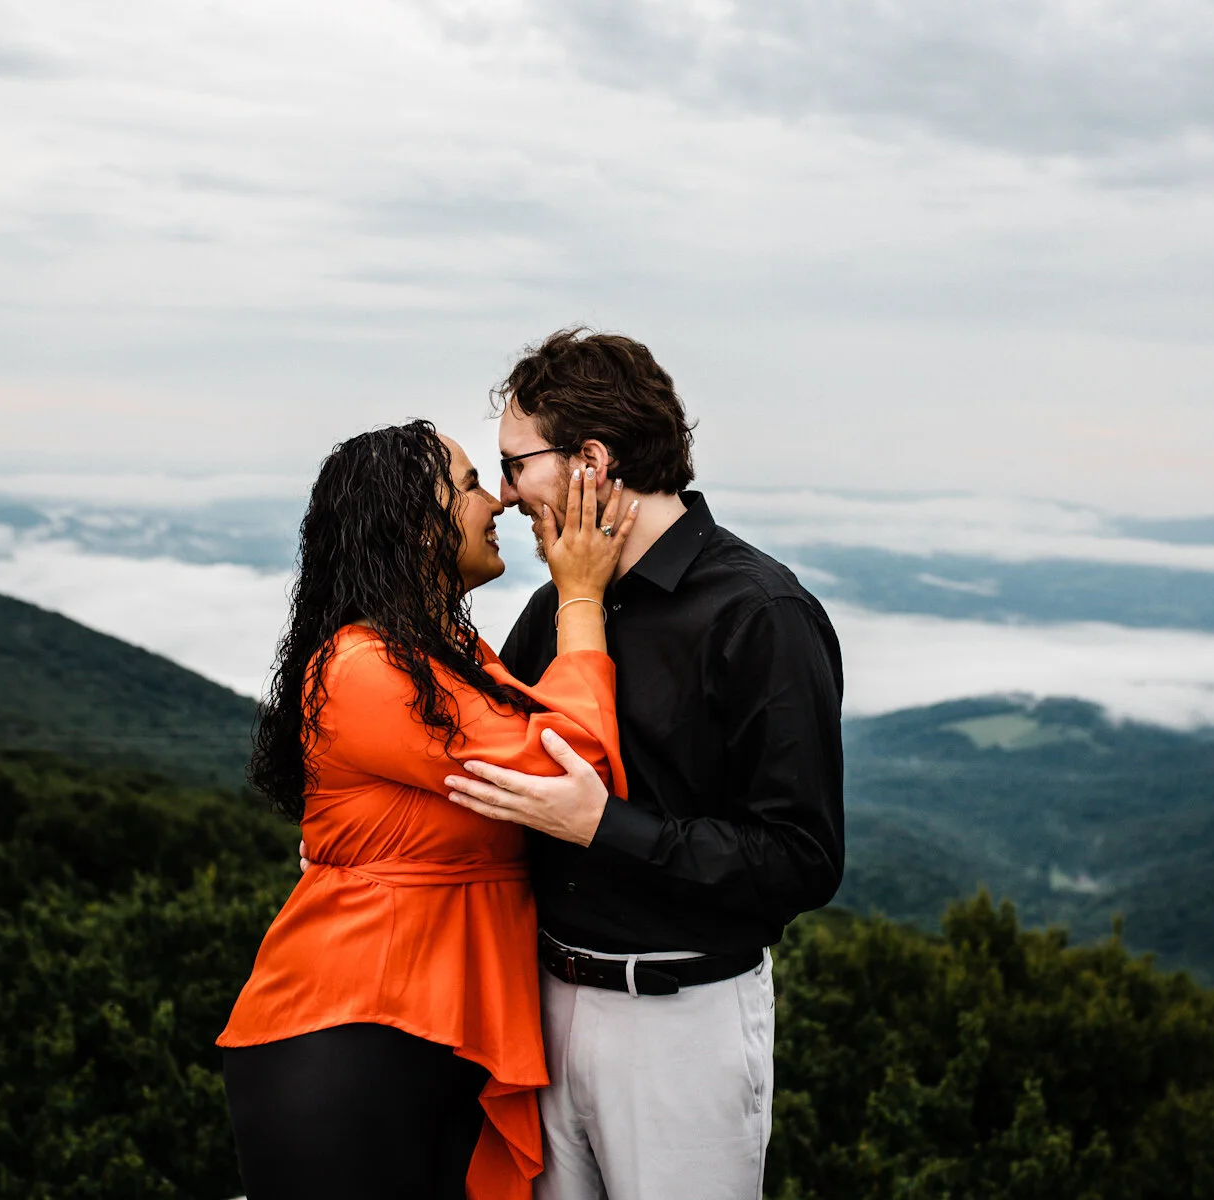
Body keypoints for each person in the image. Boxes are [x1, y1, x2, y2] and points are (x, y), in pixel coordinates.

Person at [444, 329, 846, 1200]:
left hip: (684, 1023)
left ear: (590, 460)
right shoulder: (557, 607)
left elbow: (801, 859)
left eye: (515, 466)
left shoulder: (761, 613)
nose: (506, 496)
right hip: (541, 1004)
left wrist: (604, 828)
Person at [218, 419, 639, 1200]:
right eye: (474, 483)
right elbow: (578, 766)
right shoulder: (364, 670)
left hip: (438, 1031)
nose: (499, 503)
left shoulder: (448, 660)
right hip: (351, 1033)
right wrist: (580, 600)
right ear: (416, 523)